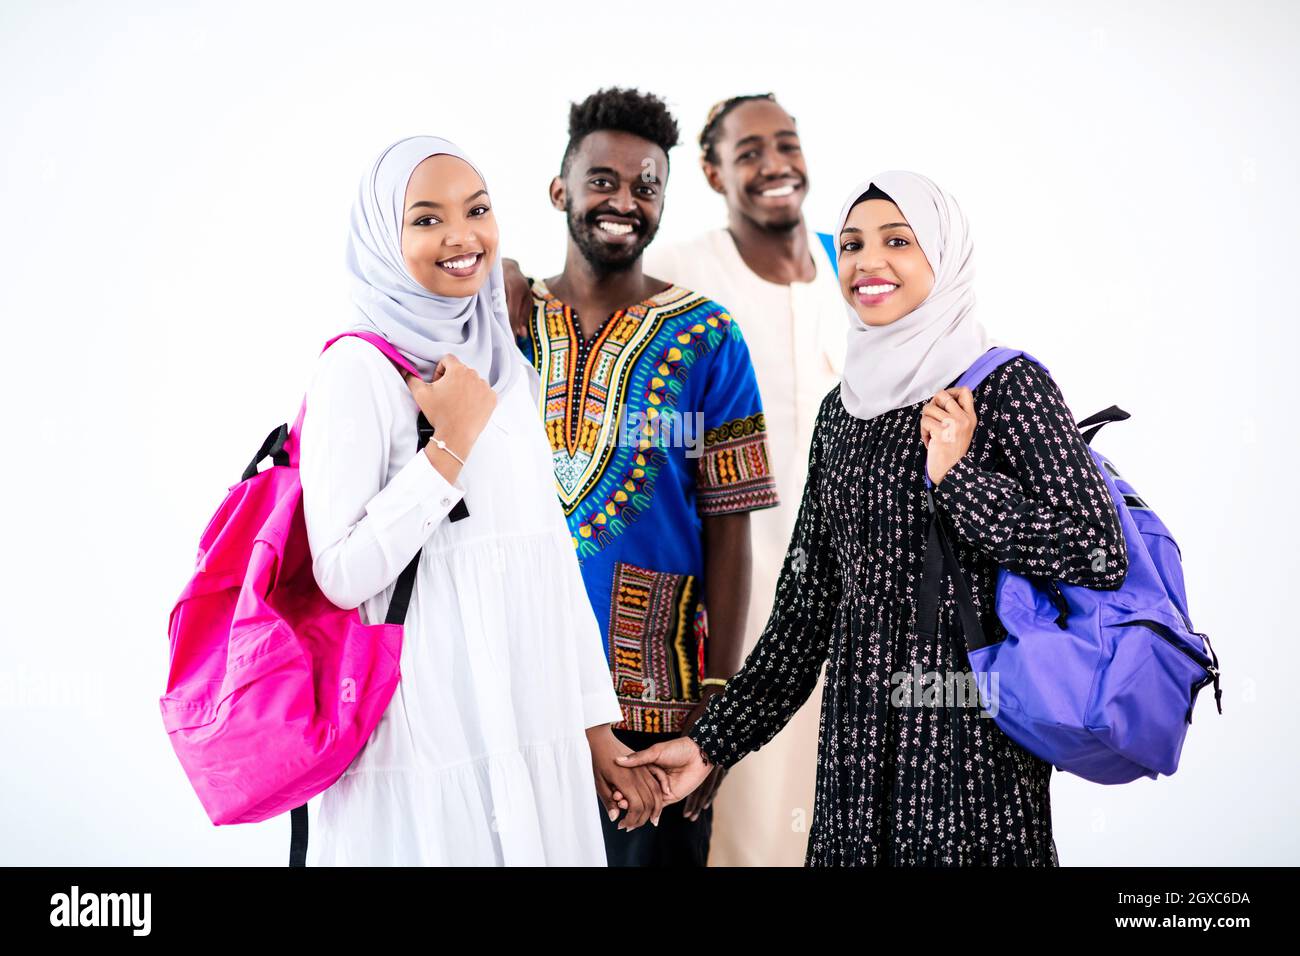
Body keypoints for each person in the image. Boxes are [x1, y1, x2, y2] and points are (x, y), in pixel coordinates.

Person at [618, 171, 1130, 866]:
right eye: (853, 244)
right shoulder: (843, 413)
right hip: (855, 771)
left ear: (943, 259)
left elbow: (1099, 553)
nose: (867, 262)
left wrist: (962, 481)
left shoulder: (1008, 387)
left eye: (898, 241)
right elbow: (804, 613)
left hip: (972, 767)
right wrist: (713, 744)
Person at [297, 135, 665, 866]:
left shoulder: (502, 364)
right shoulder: (358, 368)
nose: (462, 237)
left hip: (529, 724)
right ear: (381, 237)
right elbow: (339, 572)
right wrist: (449, 445)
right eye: (426, 219)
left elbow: (548, 556)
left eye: (478, 210)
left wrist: (591, 729)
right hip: (425, 732)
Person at [512, 88, 781, 866]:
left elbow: (733, 528)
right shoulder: (507, 325)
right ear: (561, 191)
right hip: (521, 691)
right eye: (603, 181)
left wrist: (718, 711)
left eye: (646, 186)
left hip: (657, 699)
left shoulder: (708, 336)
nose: (624, 201)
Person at [639, 92, 845, 866]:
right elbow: (585, 287)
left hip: (854, 606)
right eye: (749, 151)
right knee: (748, 828)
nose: (774, 165)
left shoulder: (848, 264)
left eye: (785, 144)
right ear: (711, 170)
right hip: (741, 609)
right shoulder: (683, 269)